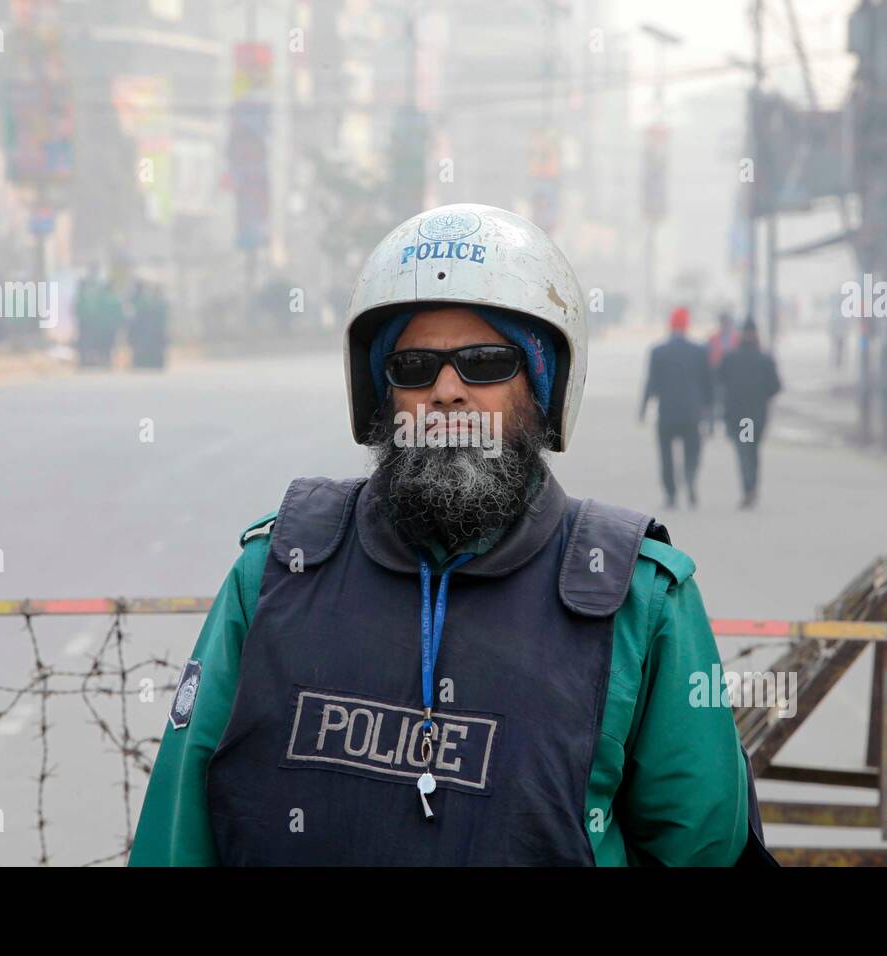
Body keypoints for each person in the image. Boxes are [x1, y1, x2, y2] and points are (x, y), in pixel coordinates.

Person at [128, 203, 776, 867]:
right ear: (383, 396)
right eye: (413, 368)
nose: (446, 392)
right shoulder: (278, 571)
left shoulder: (639, 599)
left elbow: (701, 847)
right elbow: (178, 834)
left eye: (486, 363)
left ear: (541, 387)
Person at [639, 306, 712, 510]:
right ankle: (689, 477)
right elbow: (708, 384)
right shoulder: (699, 351)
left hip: (667, 414)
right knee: (693, 451)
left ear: (670, 325)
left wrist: (643, 409)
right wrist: (711, 413)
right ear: (686, 325)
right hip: (691, 413)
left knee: (666, 455)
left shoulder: (658, 351)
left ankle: (671, 494)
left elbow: (651, 383)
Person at [717, 317, 782, 509]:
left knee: (744, 453)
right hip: (756, 415)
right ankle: (751, 488)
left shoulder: (730, 358)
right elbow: (776, 386)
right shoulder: (764, 359)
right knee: (752, 451)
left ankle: (749, 489)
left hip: (738, 415)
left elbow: (719, 381)